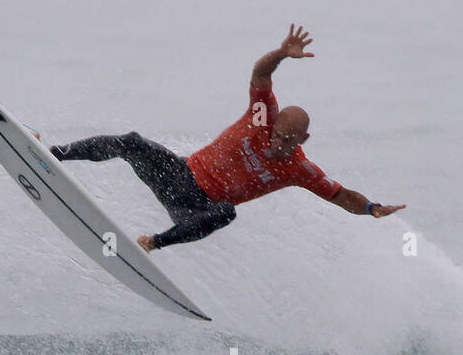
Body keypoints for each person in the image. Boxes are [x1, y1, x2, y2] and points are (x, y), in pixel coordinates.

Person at [49, 24, 405, 252]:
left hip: (193, 209)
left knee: (225, 213)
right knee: (131, 141)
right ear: (274, 122)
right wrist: (282, 53)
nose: (278, 145)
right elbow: (260, 71)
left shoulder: (300, 170)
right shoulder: (261, 113)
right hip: (177, 174)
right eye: (279, 136)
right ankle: (53, 153)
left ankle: (153, 243)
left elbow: (341, 194)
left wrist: (372, 208)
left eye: (289, 142)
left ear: (304, 140)